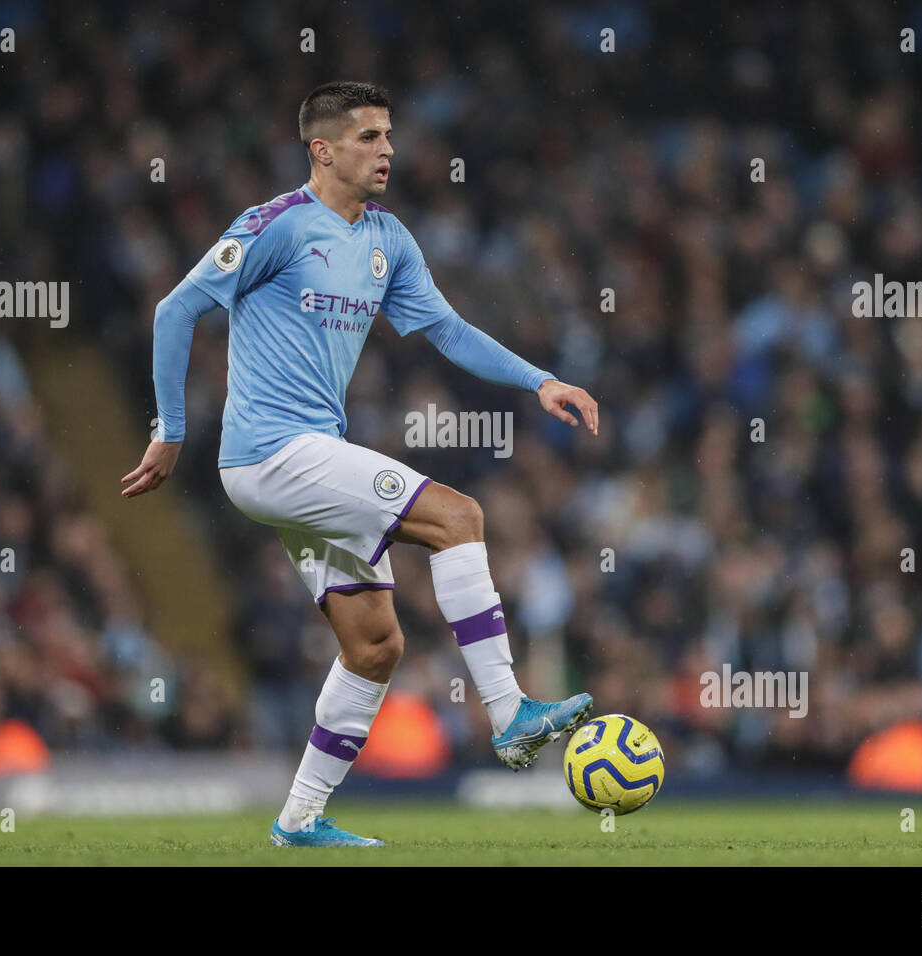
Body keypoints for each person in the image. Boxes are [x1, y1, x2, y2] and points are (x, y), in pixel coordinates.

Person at [121, 81, 597, 847]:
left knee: (375, 645)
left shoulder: (388, 240)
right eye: (370, 137)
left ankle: (298, 819)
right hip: (271, 453)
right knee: (459, 517)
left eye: (387, 135)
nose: (387, 150)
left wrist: (539, 380)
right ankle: (510, 713)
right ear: (324, 149)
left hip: (310, 459)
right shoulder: (274, 226)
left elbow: (448, 330)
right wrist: (170, 431)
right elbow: (174, 310)